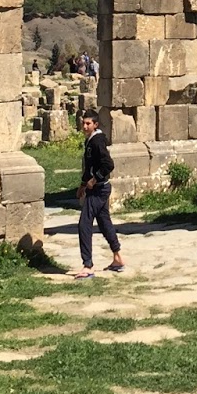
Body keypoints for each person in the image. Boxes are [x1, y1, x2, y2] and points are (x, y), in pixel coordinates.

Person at [74, 110, 124, 278]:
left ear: (95, 125)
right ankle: (118, 258)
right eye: (83, 123)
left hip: (99, 189)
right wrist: (83, 185)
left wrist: (94, 180)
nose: (85, 126)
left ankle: (88, 266)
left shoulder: (97, 141)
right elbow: (89, 166)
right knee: (104, 222)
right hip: (97, 188)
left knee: (84, 224)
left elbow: (108, 164)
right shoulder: (90, 141)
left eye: (88, 123)